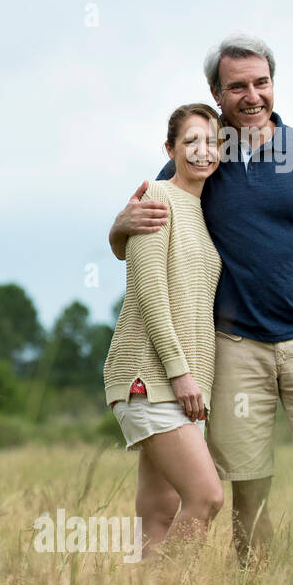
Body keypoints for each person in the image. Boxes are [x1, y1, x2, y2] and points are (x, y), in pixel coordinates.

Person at [108, 34, 293, 565]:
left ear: (273, 83)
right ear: (216, 92)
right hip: (235, 347)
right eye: (237, 86)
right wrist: (116, 228)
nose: (252, 95)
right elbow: (149, 225)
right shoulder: (207, 154)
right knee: (248, 490)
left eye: (261, 82)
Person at [104, 104, 224, 557]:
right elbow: (152, 294)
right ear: (170, 148)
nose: (202, 150)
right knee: (207, 497)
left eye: (212, 142)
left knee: (160, 509)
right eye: (191, 141)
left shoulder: (201, 211)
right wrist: (180, 372)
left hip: (178, 386)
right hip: (149, 380)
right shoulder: (156, 197)